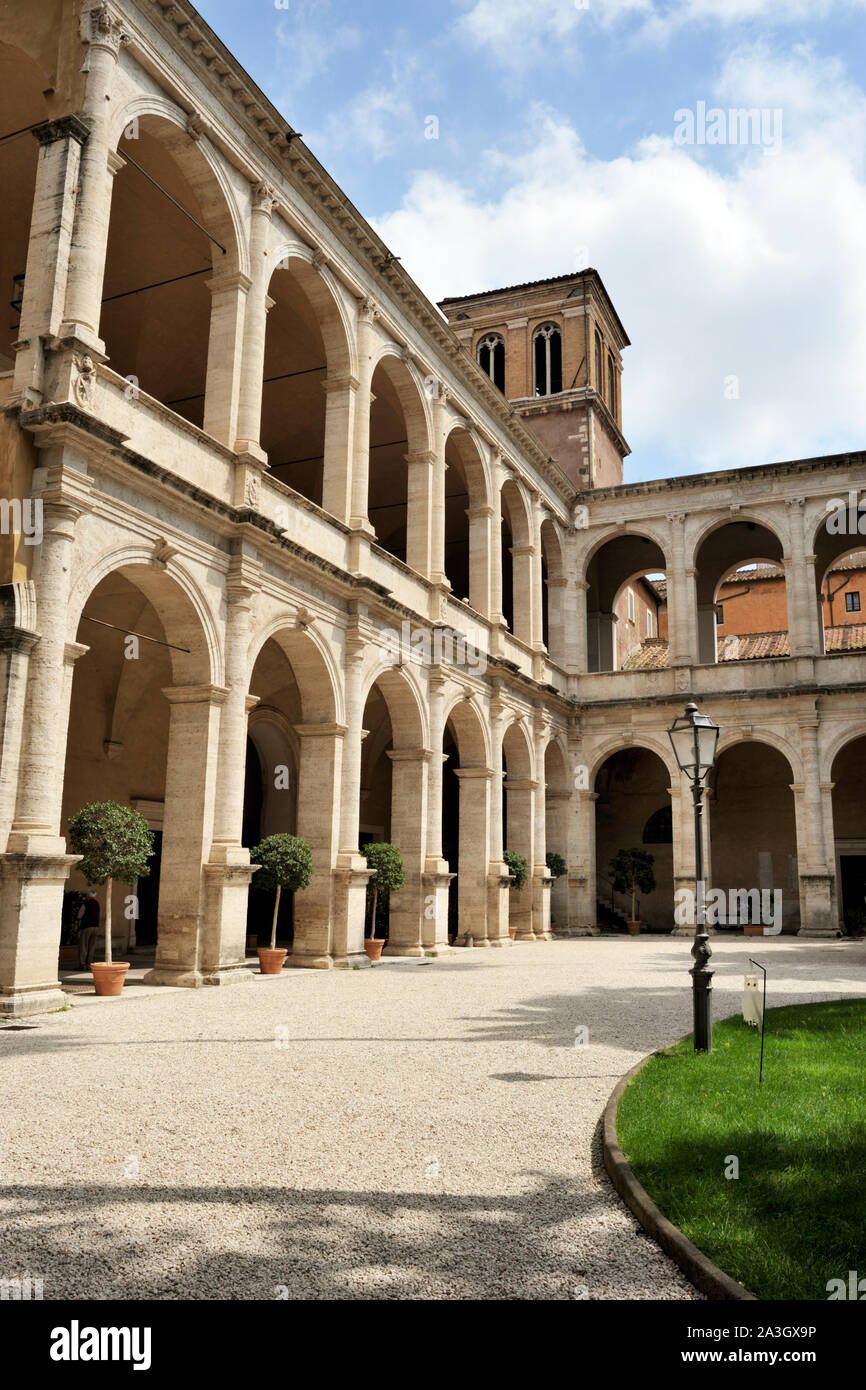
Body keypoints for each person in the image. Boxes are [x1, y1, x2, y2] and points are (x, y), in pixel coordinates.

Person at [78, 890, 100, 969]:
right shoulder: (97, 903)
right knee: (92, 947)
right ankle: (89, 964)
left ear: (88, 896)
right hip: (96, 927)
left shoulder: (86, 904)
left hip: (87, 926)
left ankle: (82, 964)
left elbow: (79, 915)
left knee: (84, 946)